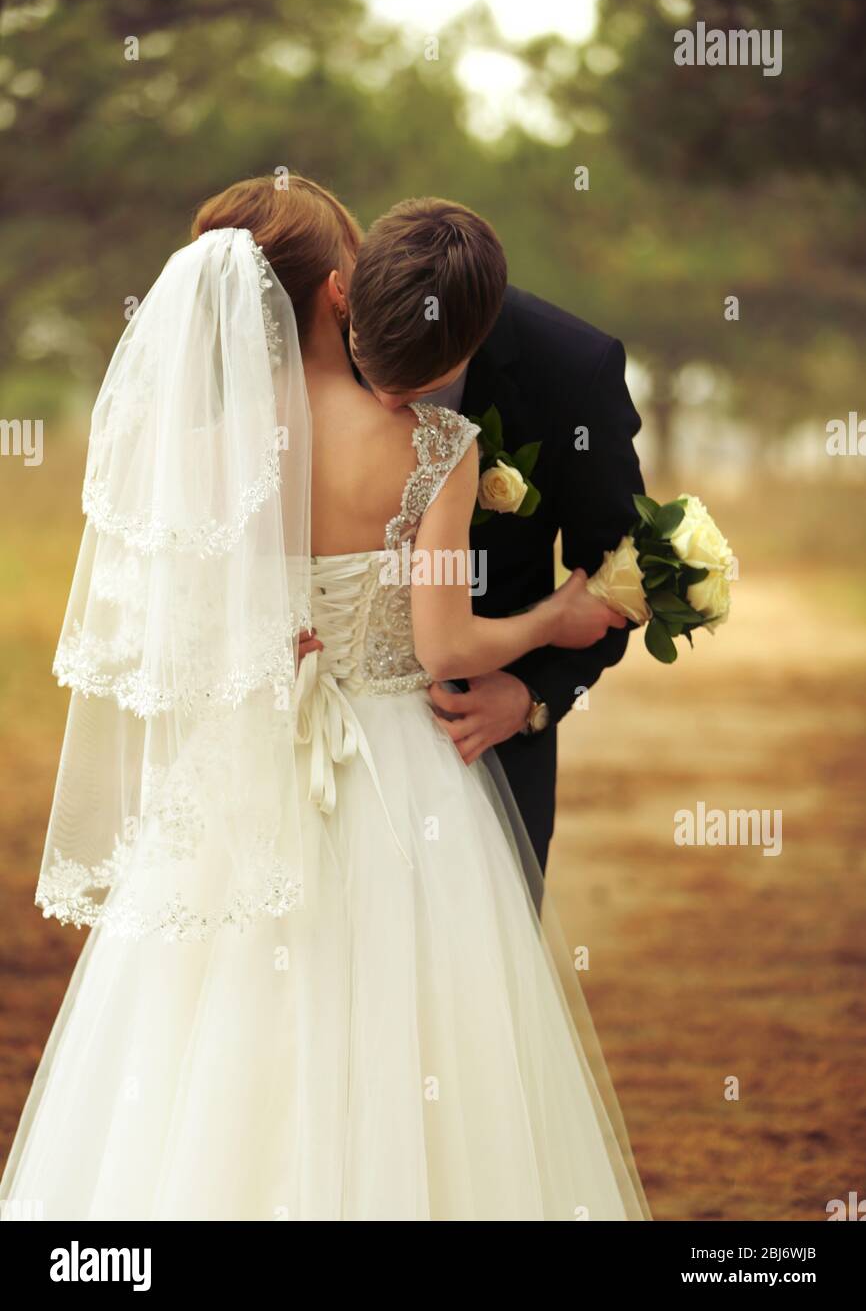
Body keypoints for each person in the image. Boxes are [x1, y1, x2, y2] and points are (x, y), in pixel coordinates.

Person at [0, 175, 650, 1221]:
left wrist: (273, 647)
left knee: (218, 1024)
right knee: (421, 1027)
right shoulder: (431, 450)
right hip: (405, 768)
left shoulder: (210, 456)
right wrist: (549, 622)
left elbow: (173, 631)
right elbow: (443, 639)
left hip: (245, 768)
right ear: (340, 295)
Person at [348, 197, 645, 871]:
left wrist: (533, 697)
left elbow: (622, 566)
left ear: (478, 338)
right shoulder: (321, 328)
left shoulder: (573, 371)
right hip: (328, 737)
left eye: (417, 386)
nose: (387, 406)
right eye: (367, 369)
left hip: (492, 747)